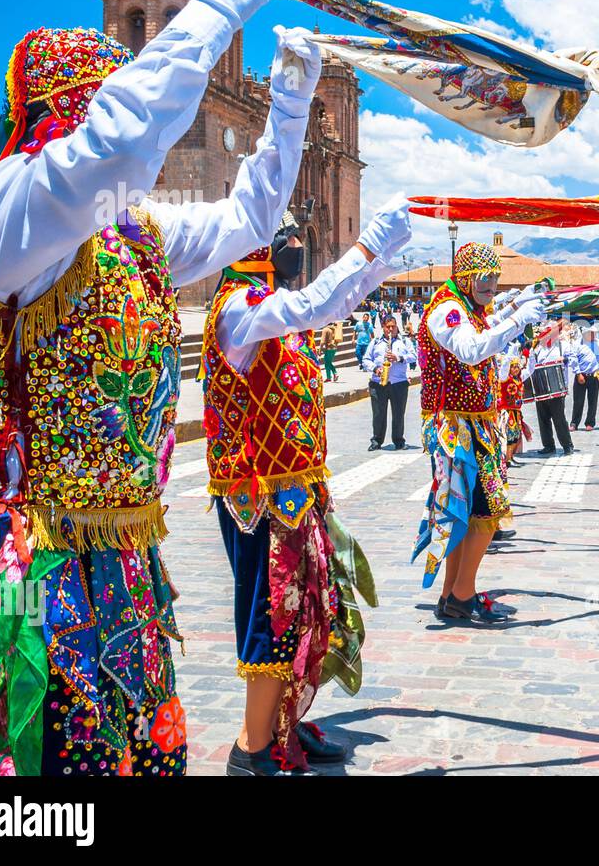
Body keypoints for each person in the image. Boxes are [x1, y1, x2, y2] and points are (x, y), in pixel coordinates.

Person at [0, 0, 304, 776]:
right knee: (38, 782)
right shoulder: (6, 212)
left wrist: (287, 107)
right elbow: (112, 155)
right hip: (22, 570)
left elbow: (250, 214)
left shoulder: (129, 234)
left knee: (137, 760)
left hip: (122, 563)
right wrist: (210, 14)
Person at [201, 200, 411, 775]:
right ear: (257, 248)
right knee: (270, 615)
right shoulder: (237, 311)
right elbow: (313, 303)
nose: (295, 245)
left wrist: (381, 263)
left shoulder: (268, 308)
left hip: (294, 492)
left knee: (306, 613)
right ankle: (251, 748)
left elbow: (329, 305)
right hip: (256, 499)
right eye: (286, 237)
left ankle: (284, 727)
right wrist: (367, 246)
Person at [412, 242, 546, 624]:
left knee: (464, 514)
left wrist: (513, 308)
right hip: (457, 428)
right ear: (466, 277)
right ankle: (462, 595)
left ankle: (452, 594)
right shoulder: (447, 309)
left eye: (496, 279)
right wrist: (518, 321)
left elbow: (485, 324)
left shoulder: (468, 307)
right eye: (485, 279)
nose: (491, 286)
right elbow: (470, 349)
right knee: (488, 510)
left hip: (473, 424)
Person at [362, 314, 417, 451]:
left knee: (399, 413)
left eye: (393, 326)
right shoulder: (375, 342)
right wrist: (375, 369)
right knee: (378, 413)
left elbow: (414, 356)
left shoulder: (404, 341)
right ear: (383, 327)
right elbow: (366, 360)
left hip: (399, 383)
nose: (391, 329)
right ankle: (376, 440)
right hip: (378, 382)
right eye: (388, 327)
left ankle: (399, 440)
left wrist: (398, 358)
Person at [525, 319, 575, 456]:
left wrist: (564, 360)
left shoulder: (563, 345)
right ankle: (548, 445)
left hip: (557, 387)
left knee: (559, 418)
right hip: (541, 388)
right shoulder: (536, 348)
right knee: (543, 418)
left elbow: (573, 359)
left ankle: (567, 446)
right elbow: (530, 367)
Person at [567, 327, 599, 431]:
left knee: (593, 400)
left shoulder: (598, 343)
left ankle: (590, 422)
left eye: (594, 333)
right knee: (578, 401)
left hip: (594, 375)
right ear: (585, 333)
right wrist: (578, 374)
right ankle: (574, 423)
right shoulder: (578, 344)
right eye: (591, 333)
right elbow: (573, 360)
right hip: (581, 375)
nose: (593, 335)